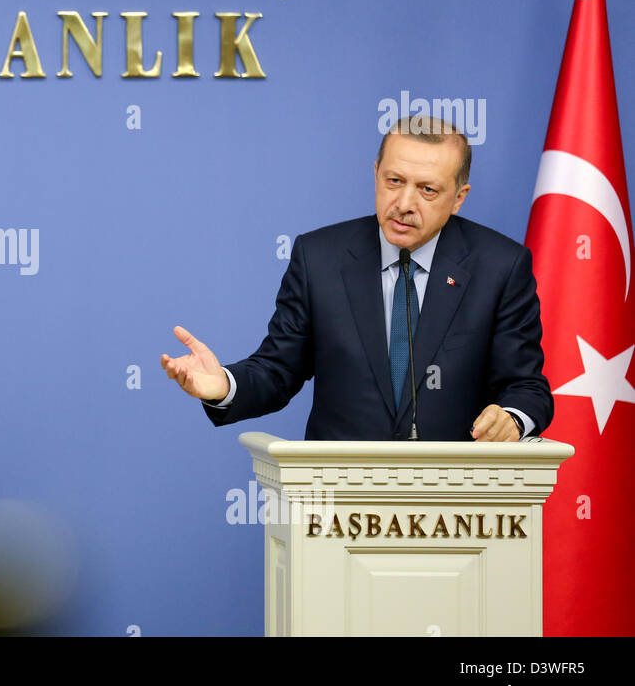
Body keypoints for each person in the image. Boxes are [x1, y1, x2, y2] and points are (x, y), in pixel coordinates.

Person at [161, 115, 553, 442]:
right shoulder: (319, 258)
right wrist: (225, 385)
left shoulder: (500, 266)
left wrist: (513, 419)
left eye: (427, 190)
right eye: (394, 181)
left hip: (455, 506)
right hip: (337, 504)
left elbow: (528, 388)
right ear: (375, 173)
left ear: (459, 197)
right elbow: (277, 371)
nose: (404, 204)